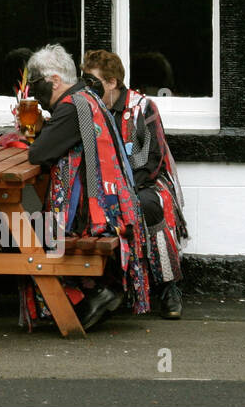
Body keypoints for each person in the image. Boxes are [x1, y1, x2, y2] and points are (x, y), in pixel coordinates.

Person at [21, 44, 152, 332]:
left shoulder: (71, 109)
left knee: (20, 231)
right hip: (113, 205)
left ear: (54, 81)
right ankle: (90, 294)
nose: (32, 92)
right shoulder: (86, 97)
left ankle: (82, 298)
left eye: (34, 84)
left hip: (93, 217)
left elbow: (38, 155)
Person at [82, 49, 188, 319]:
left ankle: (169, 287)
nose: (88, 89)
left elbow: (151, 159)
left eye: (94, 82)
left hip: (144, 184)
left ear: (112, 82)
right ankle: (104, 288)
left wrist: (124, 190)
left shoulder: (143, 108)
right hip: (104, 187)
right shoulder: (87, 111)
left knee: (149, 205)